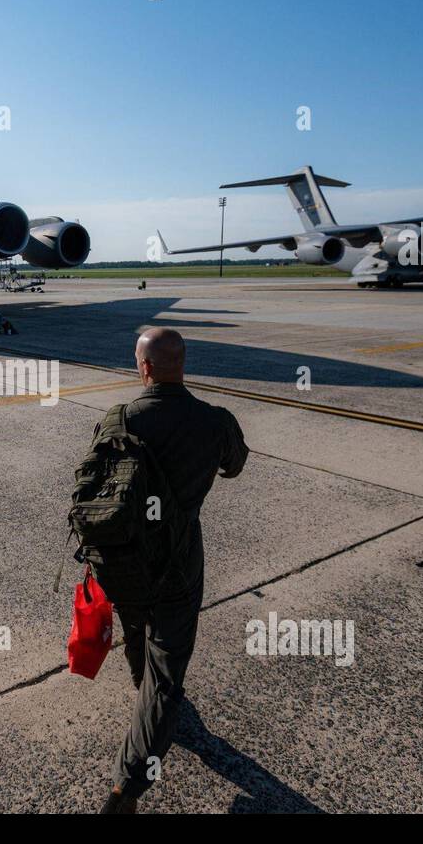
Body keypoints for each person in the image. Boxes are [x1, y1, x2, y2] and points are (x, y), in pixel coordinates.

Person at [96, 327, 248, 813]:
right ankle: (128, 785)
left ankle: (143, 690)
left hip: (122, 561)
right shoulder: (213, 421)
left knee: (139, 633)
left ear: (143, 369)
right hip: (179, 564)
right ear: (182, 366)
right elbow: (235, 464)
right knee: (168, 673)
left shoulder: (118, 419)